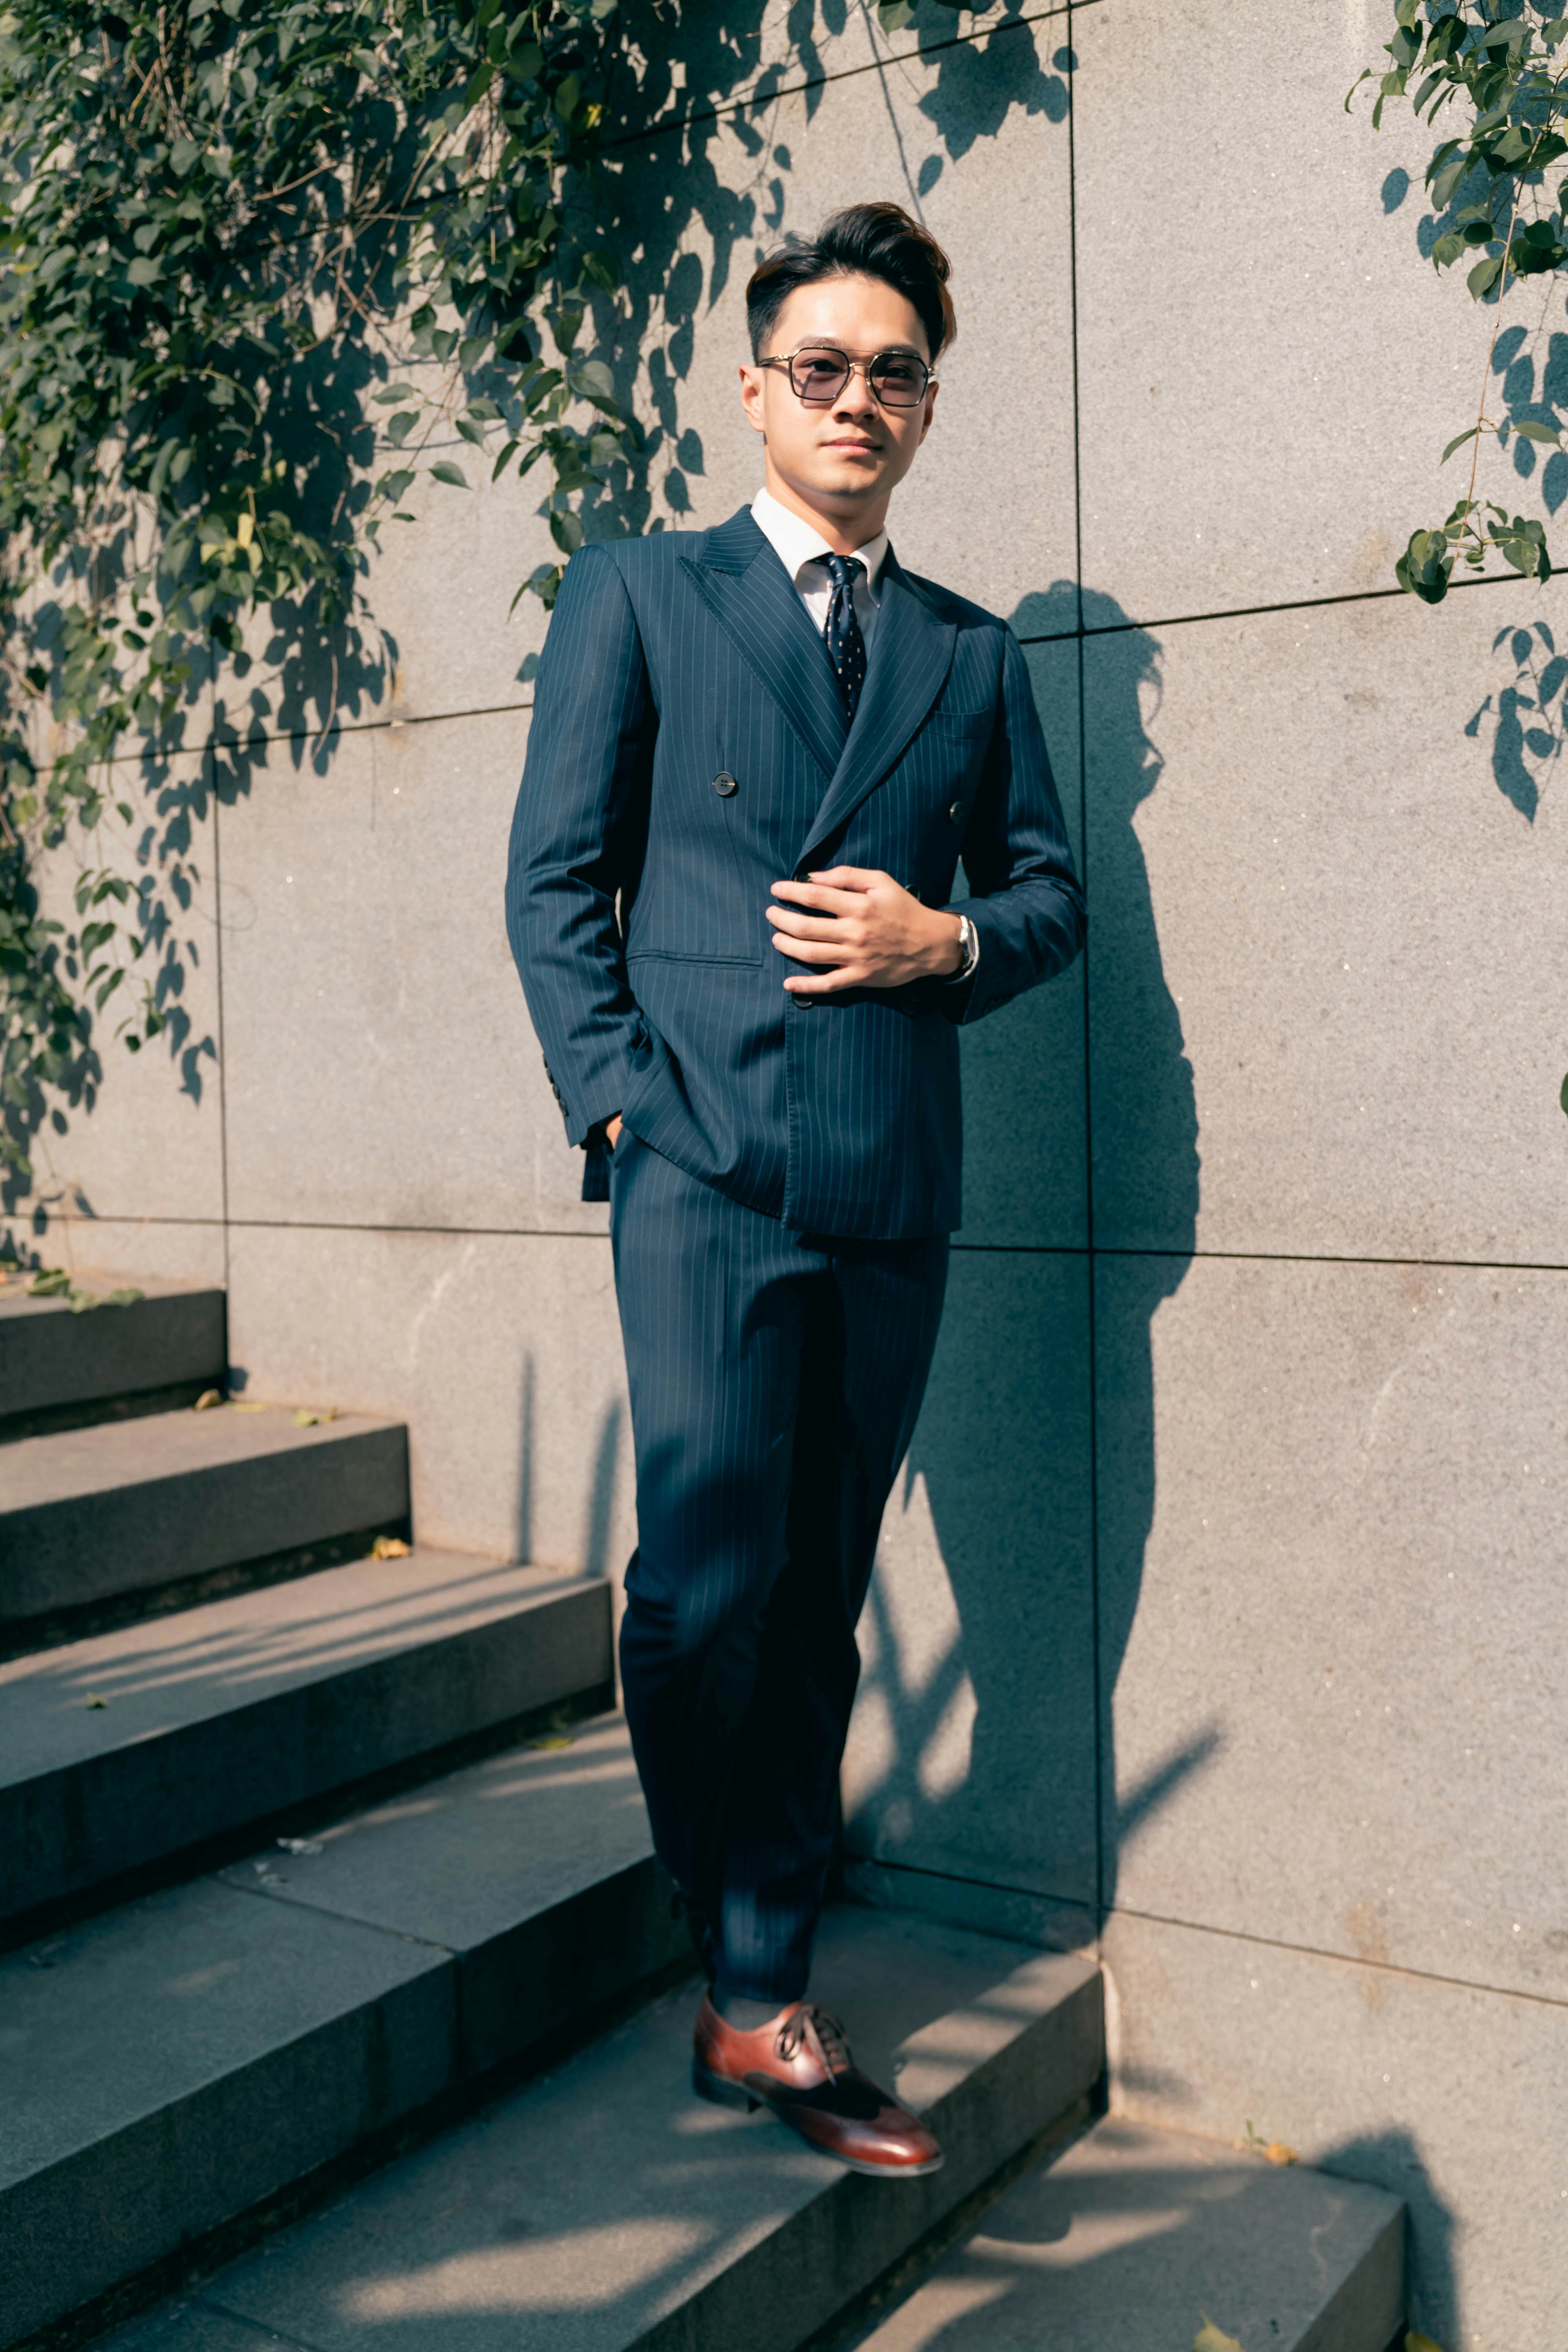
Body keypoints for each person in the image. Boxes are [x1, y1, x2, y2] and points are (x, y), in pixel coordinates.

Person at [506, 201, 1084, 2179]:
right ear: (755, 392)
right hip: (703, 1165)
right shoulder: (643, 593)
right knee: (701, 1589)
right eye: (822, 368)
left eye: (895, 372)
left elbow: (1049, 895)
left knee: (819, 1599)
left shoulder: (967, 654)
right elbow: (553, 876)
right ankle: (725, 1900)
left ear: (929, 404)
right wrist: (615, 1108)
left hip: (889, 1181)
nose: (859, 400)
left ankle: (759, 1982)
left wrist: (949, 946)